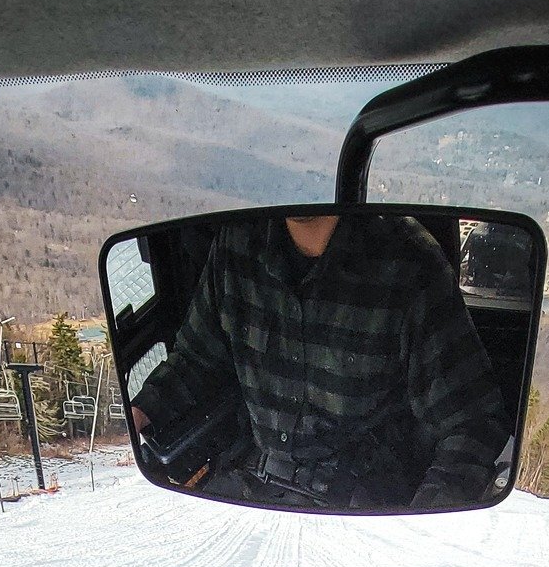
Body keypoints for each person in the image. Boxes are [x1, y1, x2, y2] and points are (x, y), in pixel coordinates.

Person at [130, 213, 510, 510]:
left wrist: (424, 522)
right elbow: (197, 359)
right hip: (253, 488)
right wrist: (141, 411)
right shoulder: (236, 245)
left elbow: (472, 422)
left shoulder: (407, 264)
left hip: (365, 507)